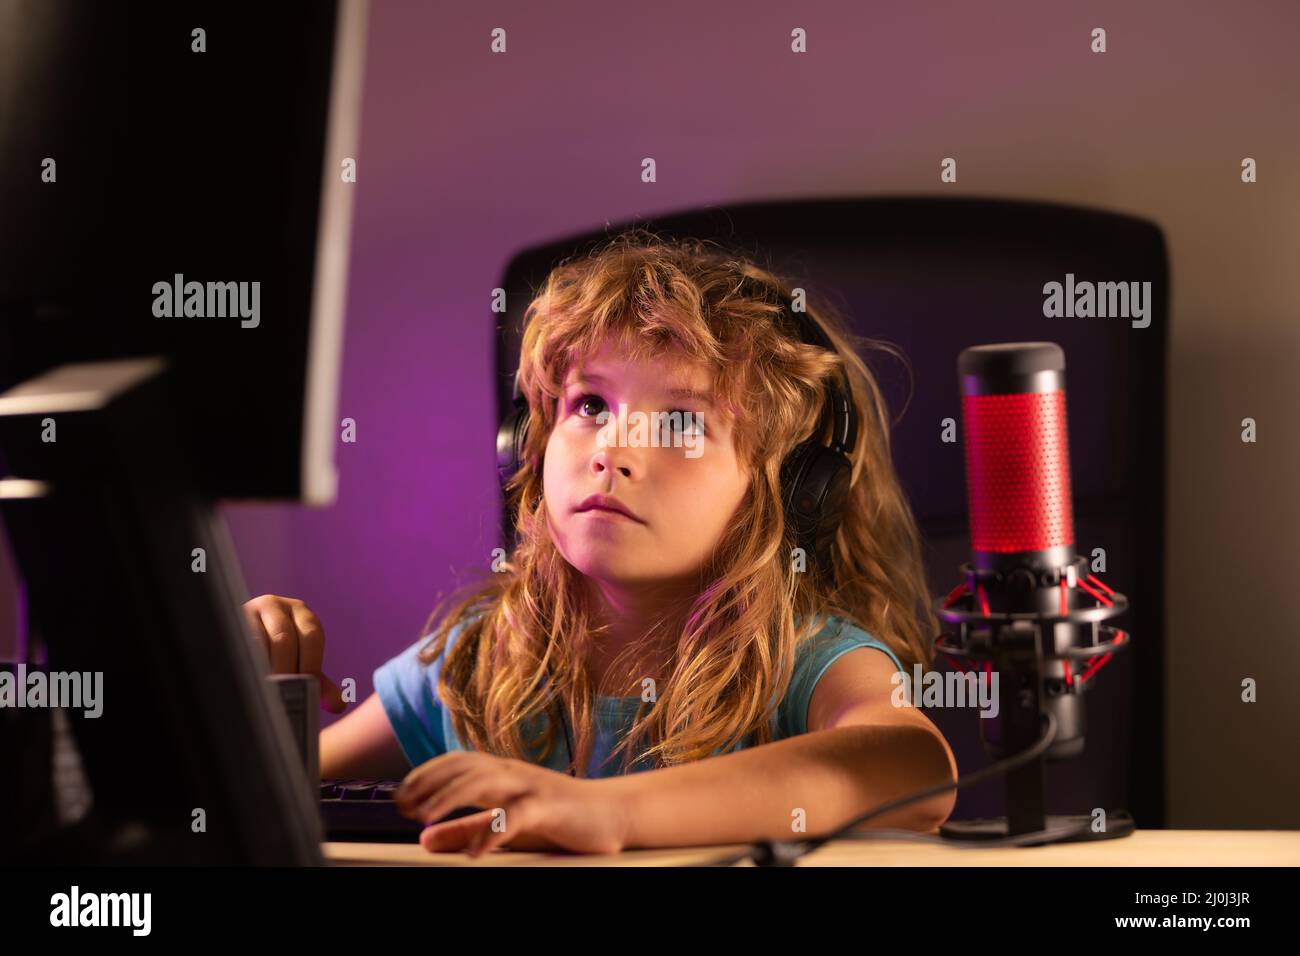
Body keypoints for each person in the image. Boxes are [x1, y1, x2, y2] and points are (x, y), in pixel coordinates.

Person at [245, 229, 958, 856]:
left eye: (680, 422)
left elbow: (912, 764)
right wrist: (238, 681)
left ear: (790, 488)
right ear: (529, 443)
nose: (612, 451)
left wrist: (609, 811)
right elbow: (262, 782)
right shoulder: (480, 659)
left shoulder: (801, 658)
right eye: (590, 404)